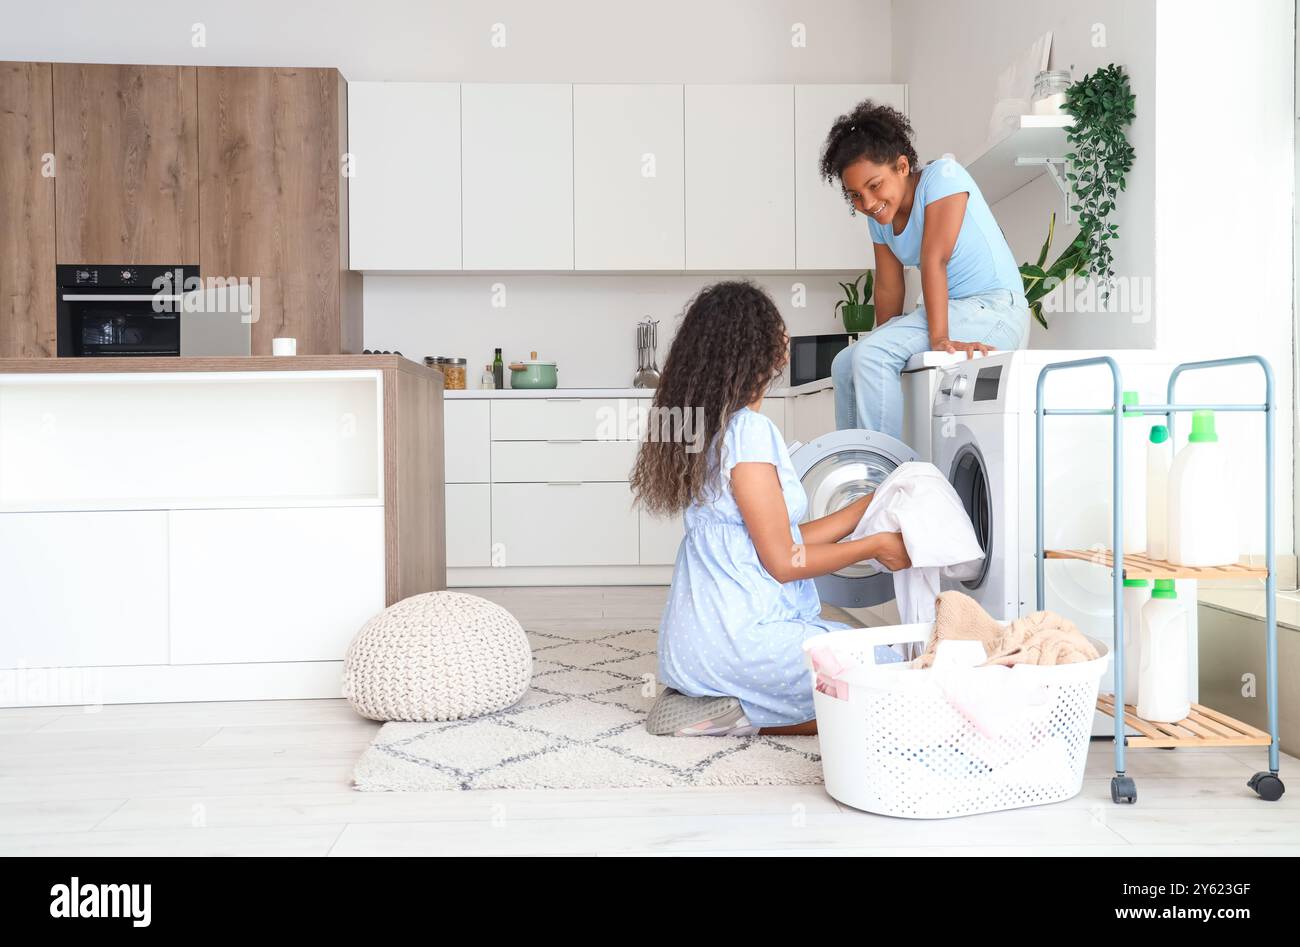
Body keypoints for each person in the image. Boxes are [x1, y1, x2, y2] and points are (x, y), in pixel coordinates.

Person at [631, 281, 911, 737]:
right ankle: (740, 717)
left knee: (851, 650)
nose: (785, 339)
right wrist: (874, 545)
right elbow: (784, 562)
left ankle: (718, 700)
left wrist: (867, 505)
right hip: (736, 643)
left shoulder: (710, 433)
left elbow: (781, 538)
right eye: (778, 332)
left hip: (690, 647)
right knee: (886, 667)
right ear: (756, 350)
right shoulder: (749, 432)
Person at [824, 101, 1031, 436]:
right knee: (845, 363)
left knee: (872, 356)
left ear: (902, 166)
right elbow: (890, 288)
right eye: (856, 196)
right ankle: (856, 471)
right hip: (950, 311)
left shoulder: (943, 179)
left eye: (874, 186)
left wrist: (940, 339)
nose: (867, 202)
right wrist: (881, 338)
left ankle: (884, 475)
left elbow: (935, 259)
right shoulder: (881, 219)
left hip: (994, 310)